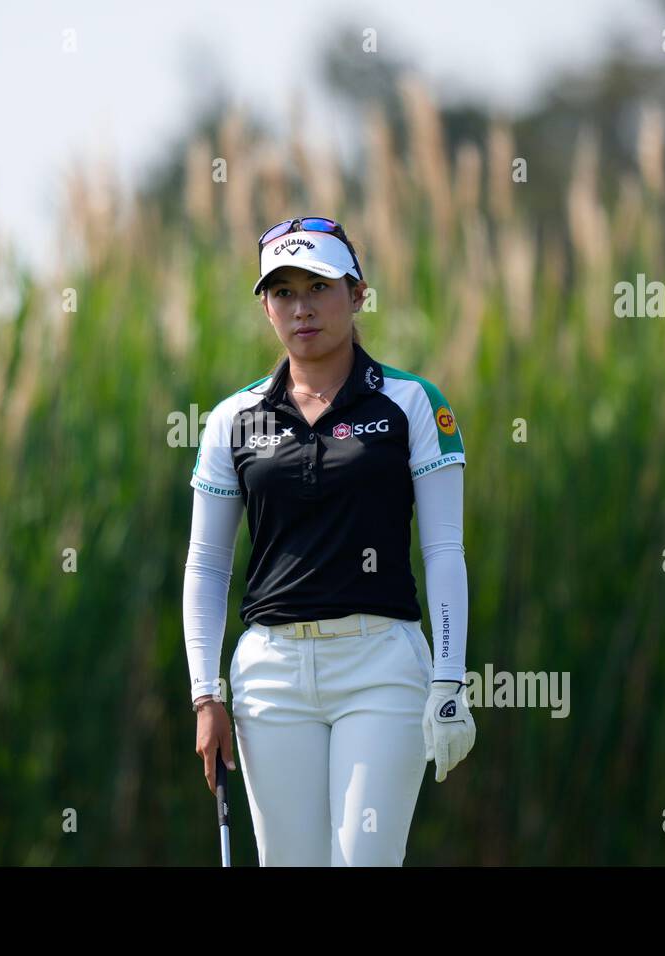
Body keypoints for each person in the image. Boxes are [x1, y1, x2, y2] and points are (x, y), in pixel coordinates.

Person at [182, 216, 475, 866]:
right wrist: (207, 695)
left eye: (318, 285)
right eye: (282, 291)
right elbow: (206, 566)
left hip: (381, 668)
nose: (301, 306)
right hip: (270, 676)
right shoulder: (235, 418)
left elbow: (444, 552)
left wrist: (450, 681)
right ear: (265, 306)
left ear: (358, 292)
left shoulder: (413, 403)